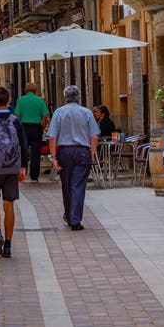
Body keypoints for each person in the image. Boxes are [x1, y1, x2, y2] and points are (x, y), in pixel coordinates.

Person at [0, 86, 27, 259]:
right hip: (12, 166)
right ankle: (8, 246)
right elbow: (23, 145)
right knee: (9, 204)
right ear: (9, 101)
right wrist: (23, 167)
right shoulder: (15, 120)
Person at [47, 85, 99, 231]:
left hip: (64, 152)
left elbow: (52, 138)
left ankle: (70, 217)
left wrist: (54, 158)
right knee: (78, 186)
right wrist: (92, 154)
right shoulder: (87, 112)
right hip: (82, 152)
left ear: (65, 97)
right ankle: (75, 219)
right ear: (79, 97)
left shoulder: (59, 112)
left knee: (66, 185)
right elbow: (94, 136)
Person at [14, 82, 50, 182]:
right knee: (36, 152)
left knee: (23, 151)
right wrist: (42, 127)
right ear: (35, 90)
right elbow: (45, 116)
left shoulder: (20, 100)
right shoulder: (40, 101)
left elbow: (17, 115)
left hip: (24, 128)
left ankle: (23, 173)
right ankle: (34, 176)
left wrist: (19, 128)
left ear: (26, 90)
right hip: (36, 128)